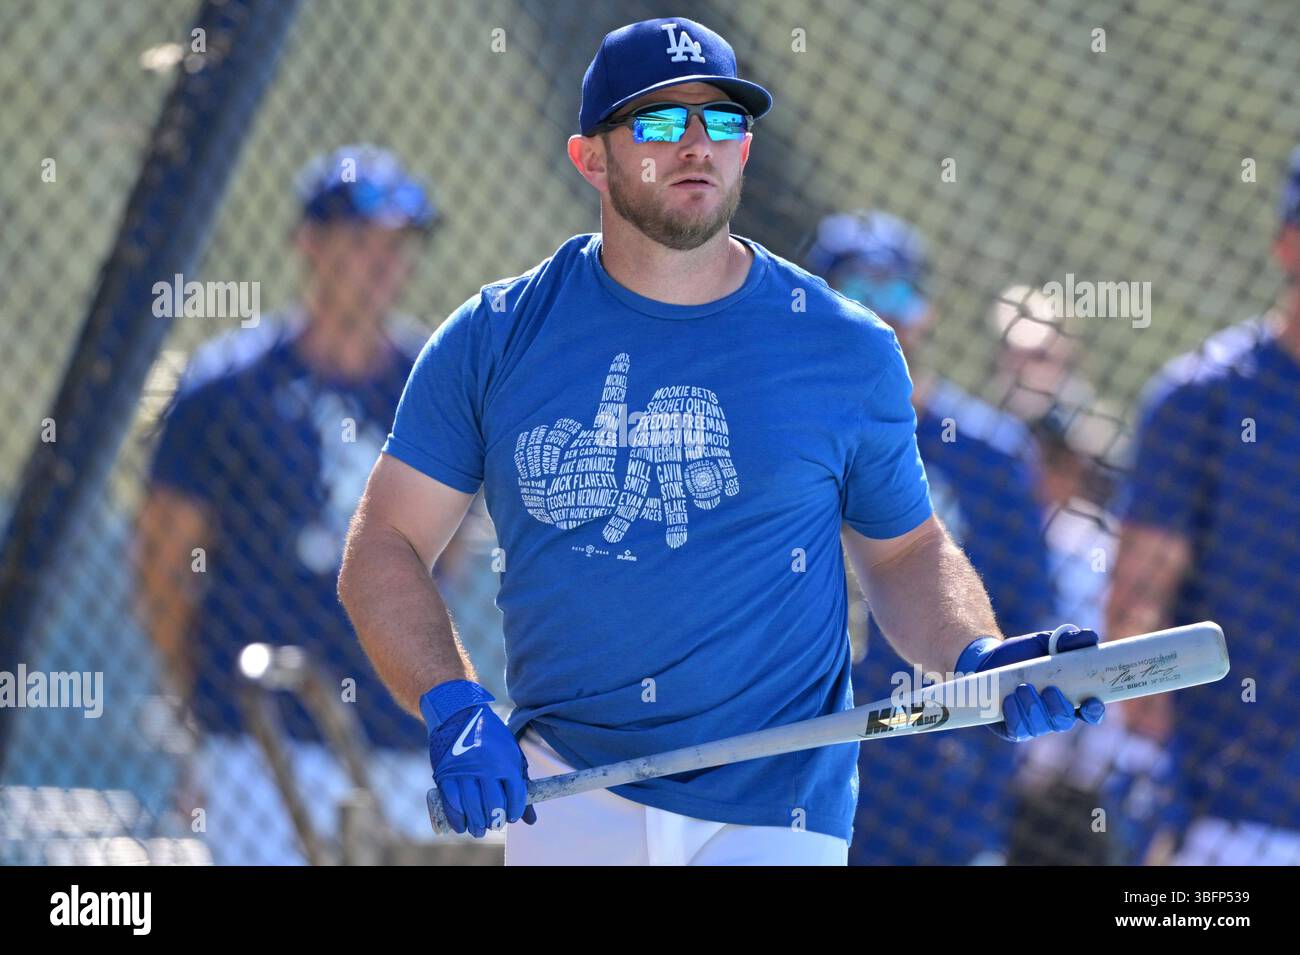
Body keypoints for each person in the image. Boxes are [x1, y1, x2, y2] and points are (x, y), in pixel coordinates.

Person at [339, 16, 1104, 867]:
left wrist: (979, 655)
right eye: (660, 122)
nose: (697, 143)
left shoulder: (844, 344)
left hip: (778, 812)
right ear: (590, 157)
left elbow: (903, 554)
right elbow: (386, 543)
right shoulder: (494, 336)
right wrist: (452, 701)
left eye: (724, 121)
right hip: (567, 791)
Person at [135, 145, 481, 865]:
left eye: (400, 245)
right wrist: (203, 706)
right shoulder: (222, 391)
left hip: (399, 728)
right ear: (307, 244)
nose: (384, 263)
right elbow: (164, 568)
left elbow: (446, 553)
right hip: (259, 733)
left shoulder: (431, 386)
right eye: (361, 242)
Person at [805, 212, 1055, 864]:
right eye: (856, 296)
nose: (882, 319)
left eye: (897, 295)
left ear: (929, 309)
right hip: (805, 791)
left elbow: (1027, 612)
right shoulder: (783, 452)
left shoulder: (989, 455)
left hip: (949, 797)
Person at [1107, 146, 1300, 865]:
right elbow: (1134, 615)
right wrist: (1156, 772)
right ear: (1286, 241)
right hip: (1230, 825)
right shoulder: (1207, 401)